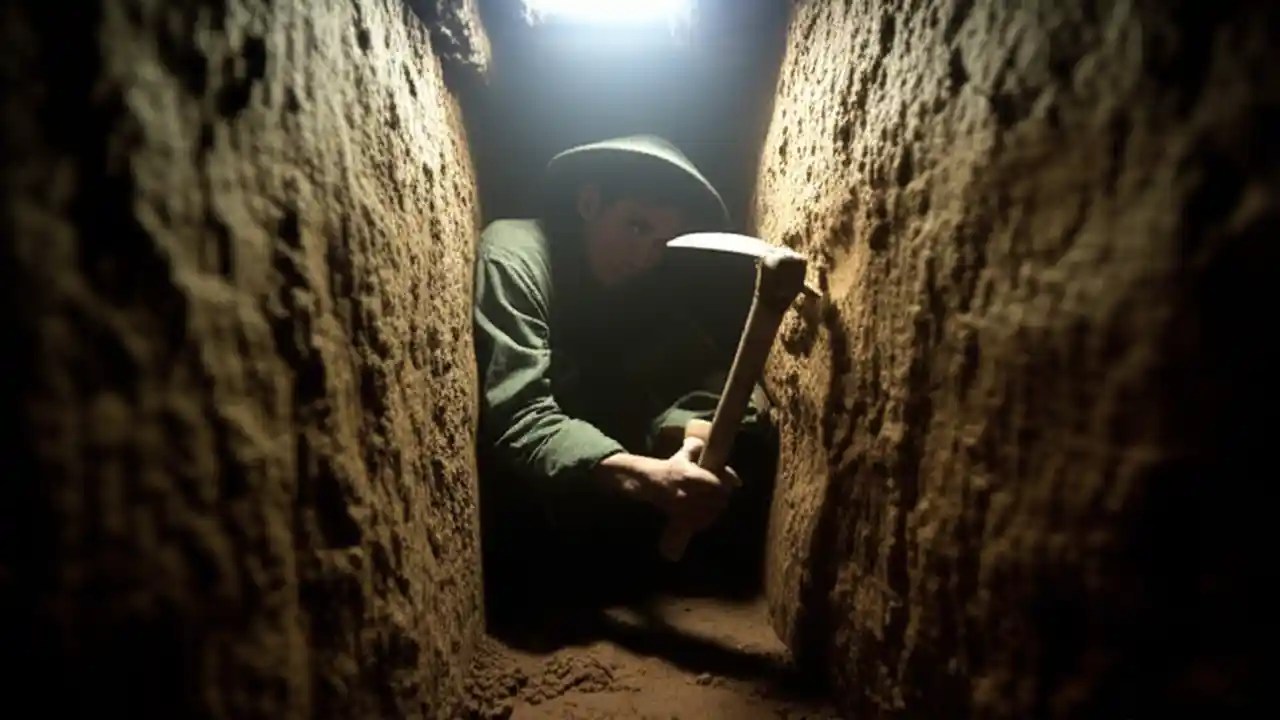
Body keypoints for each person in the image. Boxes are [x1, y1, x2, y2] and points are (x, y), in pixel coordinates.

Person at [472, 135, 776, 622]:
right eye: (636, 226)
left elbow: (706, 374)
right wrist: (646, 479)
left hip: (620, 456)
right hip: (539, 508)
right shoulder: (515, 258)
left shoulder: (641, 279)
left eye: (660, 242)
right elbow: (520, 417)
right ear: (589, 203)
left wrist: (690, 441)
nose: (644, 255)